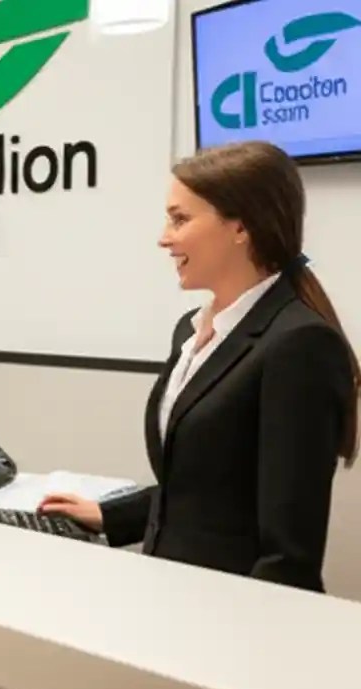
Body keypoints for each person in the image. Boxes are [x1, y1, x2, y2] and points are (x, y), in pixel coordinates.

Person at [39, 140, 359, 593]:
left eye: (180, 219)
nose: (164, 237)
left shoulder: (299, 345)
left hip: (233, 626)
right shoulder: (190, 333)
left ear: (241, 227)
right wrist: (108, 515)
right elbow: (203, 492)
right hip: (177, 599)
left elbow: (289, 555)